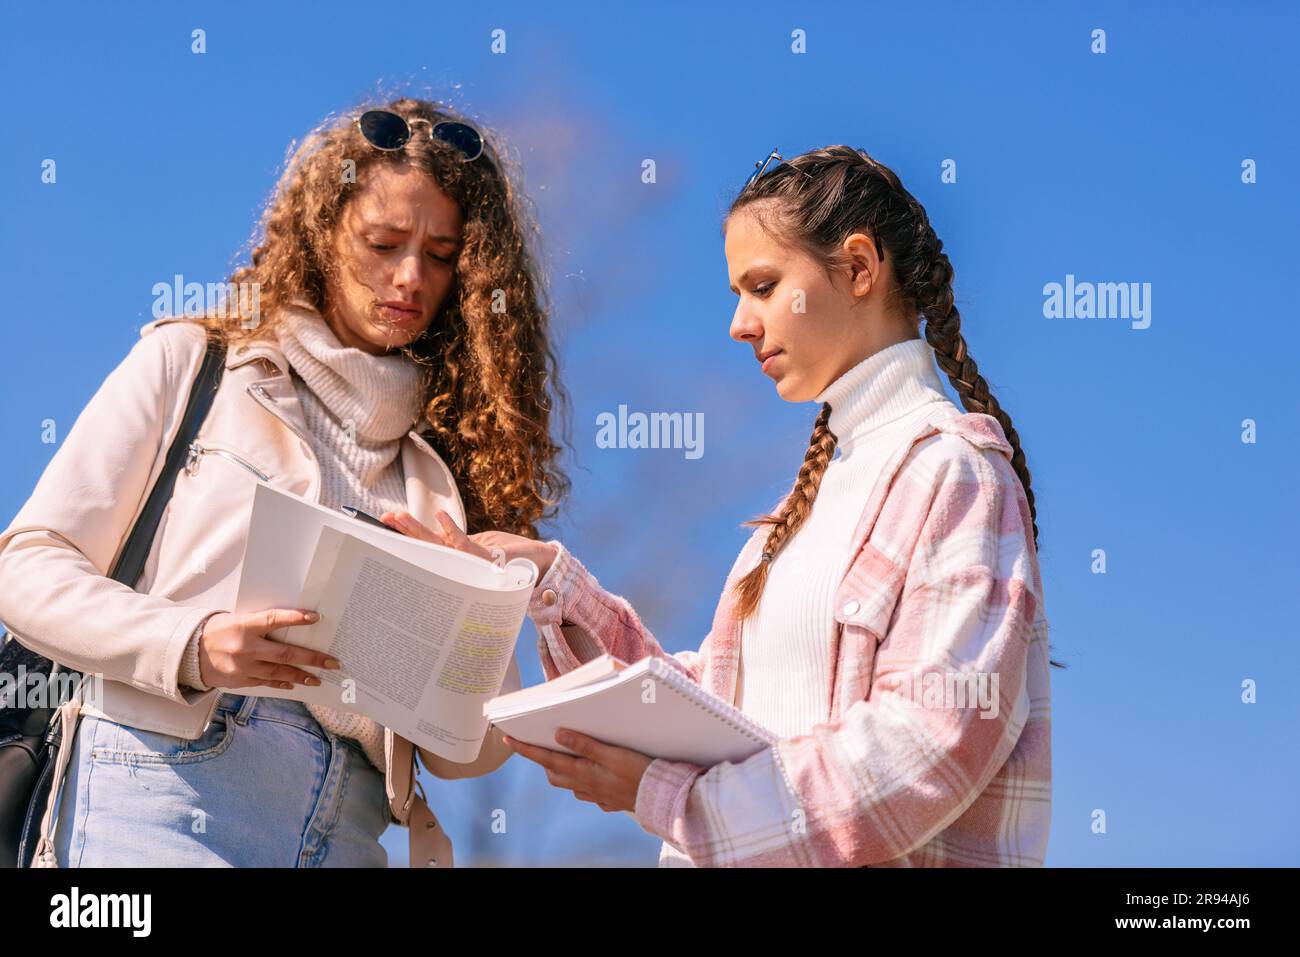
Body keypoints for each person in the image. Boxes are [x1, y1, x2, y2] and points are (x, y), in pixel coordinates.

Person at [389, 145, 1056, 867]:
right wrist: (554, 583)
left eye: (763, 286)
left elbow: (927, 747)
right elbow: (712, 721)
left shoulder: (954, 474)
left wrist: (675, 800)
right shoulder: (806, 507)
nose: (740, 322)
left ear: (860, 268)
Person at [0, 97, 568, 867]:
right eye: (384, 241)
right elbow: (25, 565)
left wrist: (475, 635)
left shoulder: (436, 472)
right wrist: (190, 643)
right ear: (321, 234)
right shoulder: (193, 364)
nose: (410, 277)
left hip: (350, 825)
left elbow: (467, 753)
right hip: (164, 786)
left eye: (440, 255)